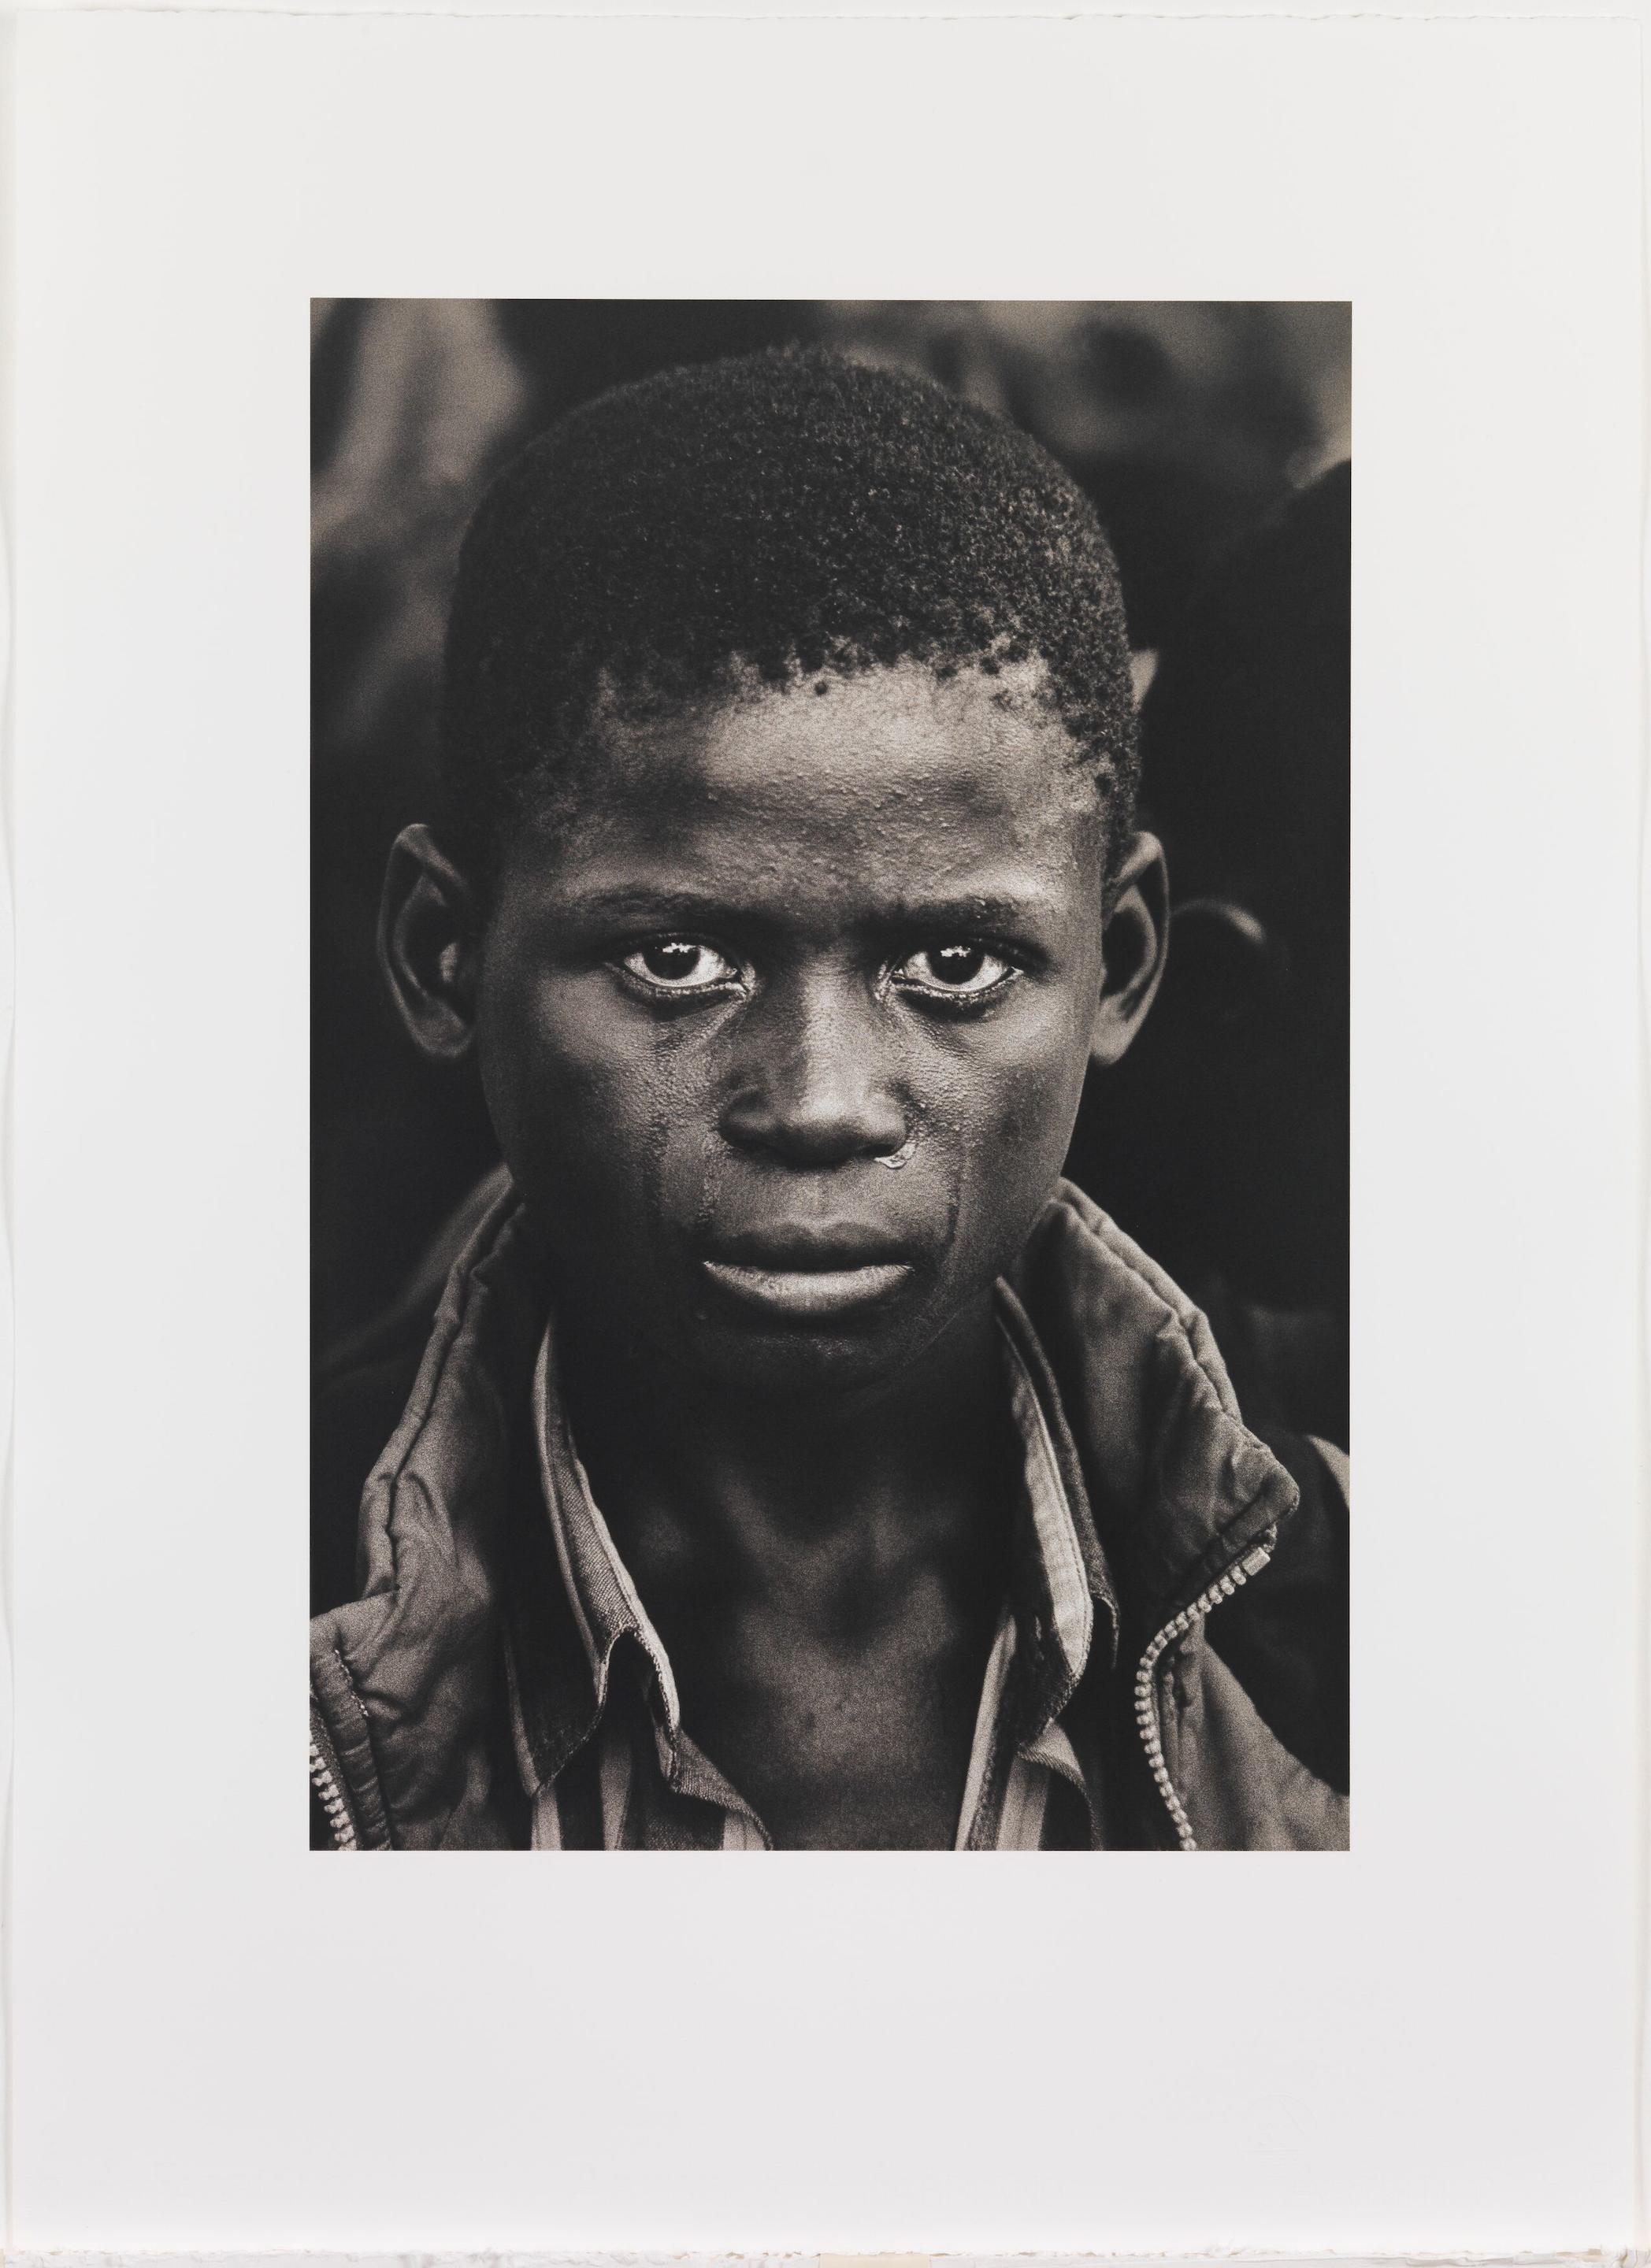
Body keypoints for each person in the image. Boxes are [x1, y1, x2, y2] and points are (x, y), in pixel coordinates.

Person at [310, 347, 1349, 1852]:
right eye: (675, 959)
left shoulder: (1349, 1647)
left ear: (1121, 967)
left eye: (954, 963)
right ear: (441, 955)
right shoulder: (215, 1647)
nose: (821, 1103)